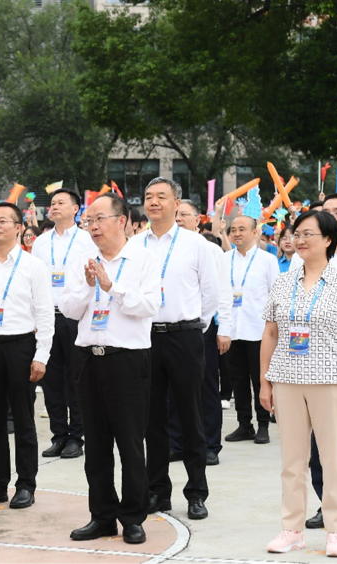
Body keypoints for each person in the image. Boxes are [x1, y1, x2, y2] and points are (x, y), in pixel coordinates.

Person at [60, 193, 160, 545]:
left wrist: (111, 287)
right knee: (96, 444)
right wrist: (89, 287)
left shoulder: (143, 259)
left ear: (122, 221)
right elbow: (69, 309)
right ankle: (101, 516)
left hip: (127, 360)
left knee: (130, 443)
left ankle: (132, 517)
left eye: (99, 219)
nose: (93, 226)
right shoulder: (82, 261)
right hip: (88, 358)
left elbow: (149, 306)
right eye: (88, 221)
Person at [260, 210, 337, 557]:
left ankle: (336, 531)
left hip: (329, 380)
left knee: (333, 459)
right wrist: (265, 382)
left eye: (307, 234)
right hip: (286, 379)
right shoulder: (283, 281)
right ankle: (292, 529)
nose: (298, 240)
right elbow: (270, 333)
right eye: (296, 234)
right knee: (292, 460)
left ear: (328, 239)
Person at [130, 177, 219, 521]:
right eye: (149, 196)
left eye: (161, 197)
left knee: (190, 414)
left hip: (184, 336)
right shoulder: (135, 244)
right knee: (152, 418)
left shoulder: (196, 244)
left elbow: (210, 294)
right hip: (145, 337)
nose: (154, 202)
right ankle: (158, 490)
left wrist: (194, 327)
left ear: (177, 203)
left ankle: (196, 492)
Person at [0, 202, 53, 511]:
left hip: (20, 347)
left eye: (2, 221)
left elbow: (45, 314)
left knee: (23, 418)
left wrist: (41, 355)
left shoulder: (33, 266)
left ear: (19, 227)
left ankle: (26, 485)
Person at [30, 189, 97, 459]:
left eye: (61, 203)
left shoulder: (86, 240)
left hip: (75, 316)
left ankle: (77, 437)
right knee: (51, 379)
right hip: (47, 316)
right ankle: (58, 435)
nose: (54, 207)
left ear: (75, 209)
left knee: (76, 378)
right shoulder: (41, 242)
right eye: (52, 203)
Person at [304, 193, 337, 531]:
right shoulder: (311, 257)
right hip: (317, 351)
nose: (330, 217)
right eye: (325, 212)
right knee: (321, 437)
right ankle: (328, 503)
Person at [174, 200, 232, 466]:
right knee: (172, 389)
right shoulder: (165, 248)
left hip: (202, 327)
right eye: (175, 215)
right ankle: (176, 443)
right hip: (170, 328)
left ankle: (210, 444)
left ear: (198, 220)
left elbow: (223, 291)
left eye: (184, 215)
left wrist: (224, 328)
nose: (178, 219)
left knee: (206, 386)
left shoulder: (210, 249)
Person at [222, 216, 280, 446]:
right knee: (237, 380)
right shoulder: (224, 259)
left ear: (255, 232)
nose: (236, 233)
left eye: (242, 229)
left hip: (259, 331)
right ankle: (244, 424)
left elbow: (276, 295)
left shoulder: (267, 260)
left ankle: (263, 424)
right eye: (233, 230)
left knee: (260, 379)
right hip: (232, 330)